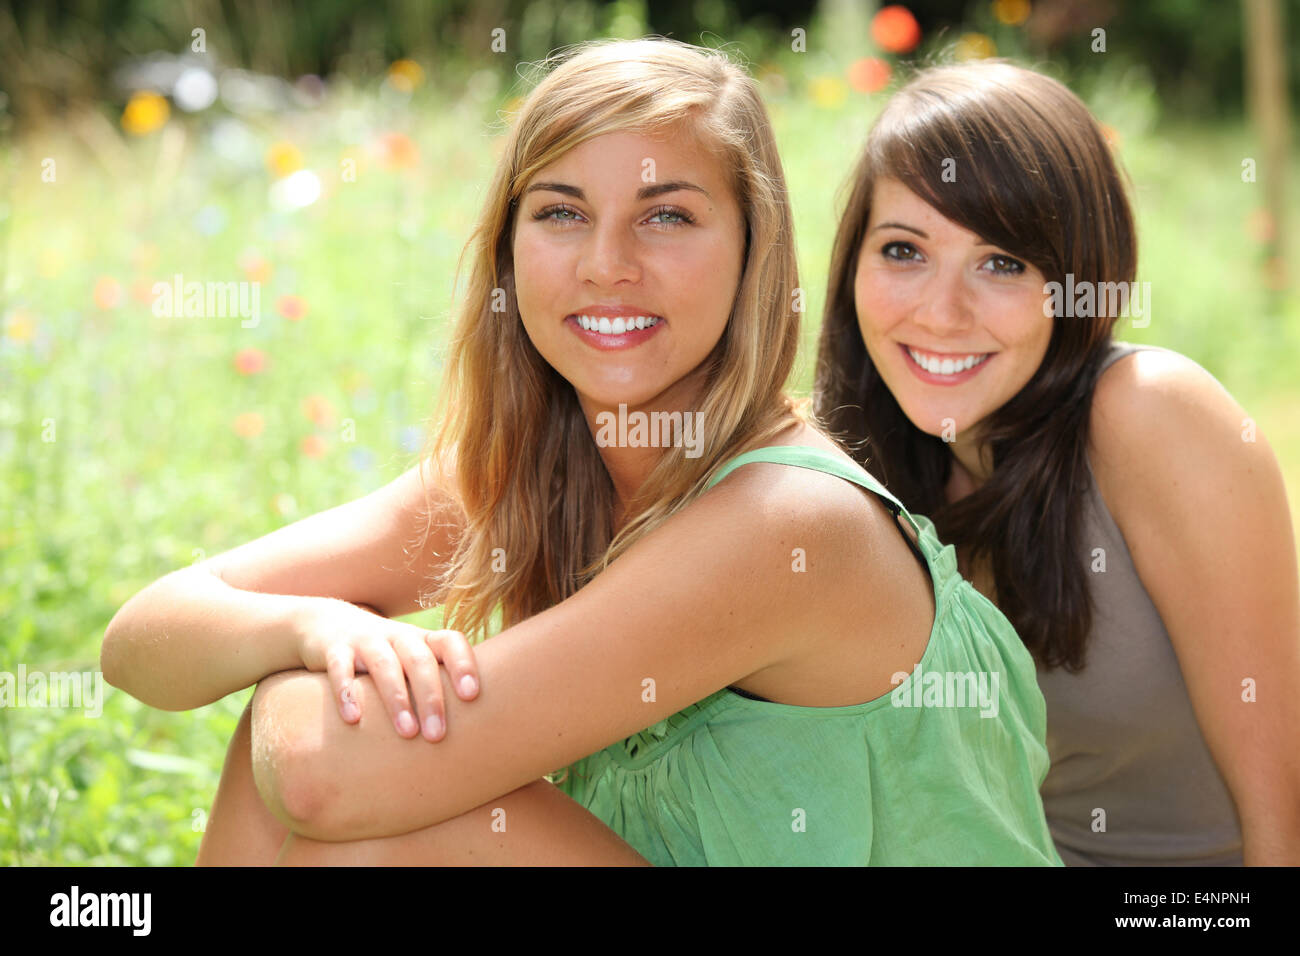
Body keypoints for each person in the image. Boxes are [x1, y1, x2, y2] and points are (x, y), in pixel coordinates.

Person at [104, 38, 1062, 866]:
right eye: (561, 211)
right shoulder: (537, 465)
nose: (608, 262)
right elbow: (141, 641)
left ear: (753, 250)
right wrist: (310, 631)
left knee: (370, 818)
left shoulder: (788, 526)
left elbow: (320, 778)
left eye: (668, 215)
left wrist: (296, 663)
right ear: (510, 251)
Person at [813, 60, 1300, 866]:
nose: (941, 312)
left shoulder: (1150, 413)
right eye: (903, 250)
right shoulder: (855, 471)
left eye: (1002, 262)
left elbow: (1283, 810)